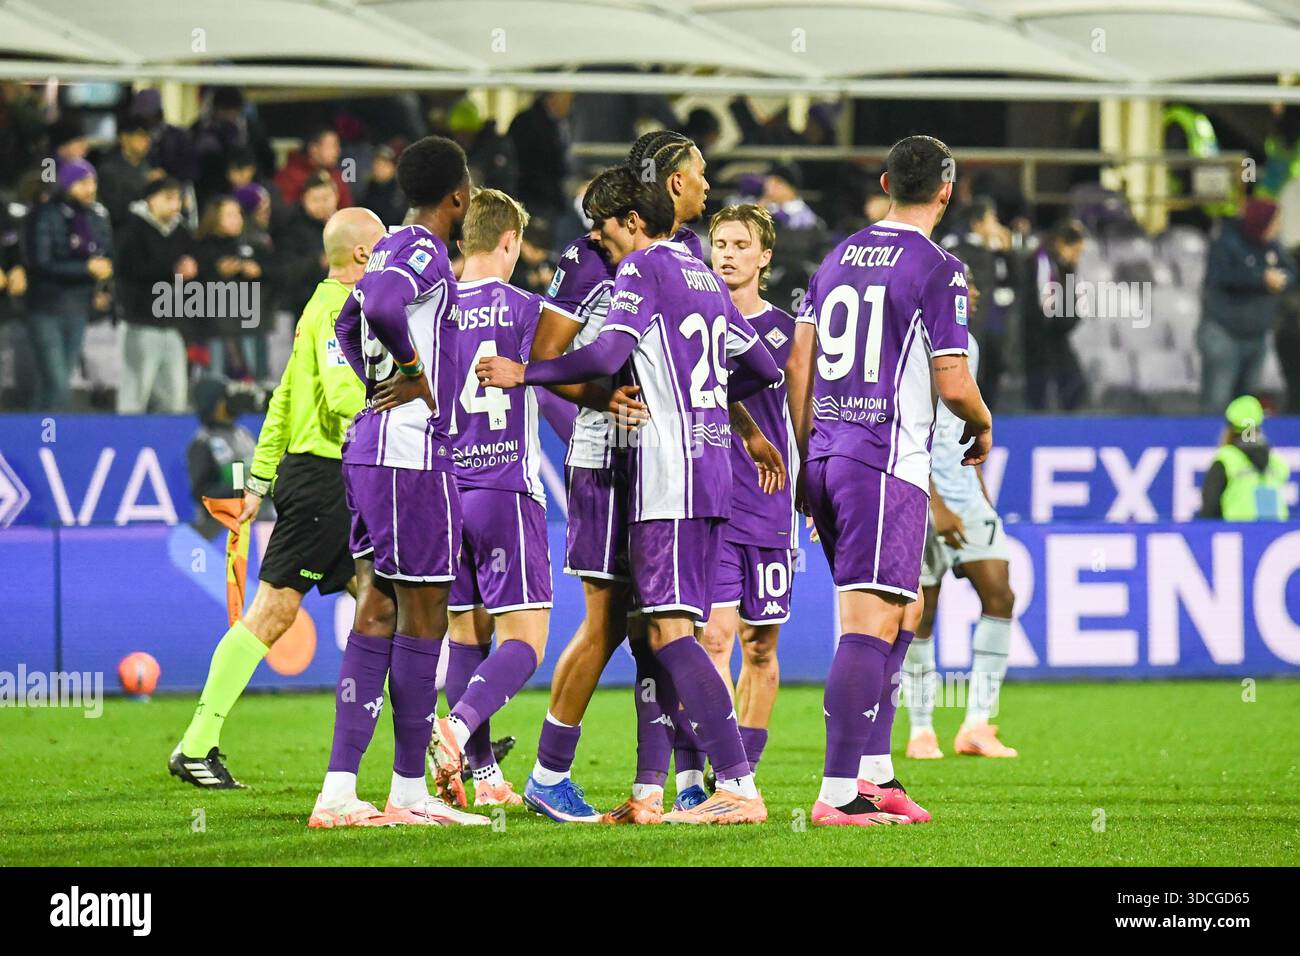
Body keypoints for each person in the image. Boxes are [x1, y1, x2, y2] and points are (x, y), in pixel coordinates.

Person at [476, 173, 784, 826]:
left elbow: (610, 349)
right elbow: (761, 368)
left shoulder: (642, 268)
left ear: (633, 221)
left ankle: (738, 786)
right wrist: (709, 401)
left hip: (665, 472)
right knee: (663, 628)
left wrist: (525, 373)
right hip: (711, 475)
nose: (597, 236)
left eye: (603, 224)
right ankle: (663, 788)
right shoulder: (703, 276)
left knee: (670, 631)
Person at [786, 134, 993, 827]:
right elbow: (954, 381)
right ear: (946, 190)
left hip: (833, 453)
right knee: (872, 620)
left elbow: (799, 364)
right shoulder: (939, 267)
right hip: (882, 462)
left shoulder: (837, 256)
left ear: (883, 182)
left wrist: (805, 455)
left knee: (902, 613)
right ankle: (837, 791)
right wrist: (984, 422)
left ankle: (876, 774)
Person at [168, 208, 384, 789]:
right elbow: (342, 396)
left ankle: (446, 740)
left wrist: (259, 479)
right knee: (273, 612)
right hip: (325, 480)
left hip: (320, 476)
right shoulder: (344, 308)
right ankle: (195, 745)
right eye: (384, 245)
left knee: (382, 600)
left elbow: (283, 399)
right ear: (364, 255)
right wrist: (405, 413)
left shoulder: (316, 308)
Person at [419, 188, 618, 810]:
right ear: (509, 242)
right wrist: (605, 411)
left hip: (444, 491)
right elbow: (561, 380)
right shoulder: (527, 309)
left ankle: (482, 780)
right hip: (506, 490)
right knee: (525, 641)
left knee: (464, 633)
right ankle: (455, 728)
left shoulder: (432, 311)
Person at [309, 135, 486, 829]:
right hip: (411, 454)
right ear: (459, 197)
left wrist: (374, 378)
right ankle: (409, 791)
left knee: (377, 607)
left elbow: (351, 317)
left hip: (371, 449)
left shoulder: (386, 245)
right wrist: (410, 374)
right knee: (425, 615)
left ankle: (339, 792)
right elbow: (378, 303)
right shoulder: (420, 249)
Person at [697, 203, 797, 807]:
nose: (727, 254)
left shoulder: (790, 331)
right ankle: (722, 766)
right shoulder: (695, 320)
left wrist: (812, 487)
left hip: (770, 508)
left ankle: (742, 775)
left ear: (765, 257)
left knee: (760, 645)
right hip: (710, 501)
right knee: (713, 638)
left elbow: (807, 416)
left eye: (740, 244)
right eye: (719, 243)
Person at [905, 266, 1019, 761]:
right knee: (922, 613)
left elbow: (961, 430)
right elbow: (913, 431)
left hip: (967, 496)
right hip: (923, 495)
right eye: (964, 285)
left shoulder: (968, 343)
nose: (970, 293)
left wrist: (979, 492)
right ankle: (922, 728)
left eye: (973, 286)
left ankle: (976, 724)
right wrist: (936, 504)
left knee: (1000, 593)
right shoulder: (918, 345)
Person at [26, 158, 113, 410]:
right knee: (58, 382)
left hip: (77, 307)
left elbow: (105, 257)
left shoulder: (96, 215)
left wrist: (103, 288)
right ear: (67, 184)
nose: (90, 188)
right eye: (83, 182)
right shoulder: (45, 214)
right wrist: (85, 269)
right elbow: (40, 262)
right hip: (46, 308)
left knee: (50, 383)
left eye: (93, 182)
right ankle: (51, 438)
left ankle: (36, 437)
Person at [1198, 198, 1296, 414]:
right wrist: (1262, 279)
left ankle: (1245, 445)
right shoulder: (1226, 242)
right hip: (1223, 333)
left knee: (1248, 402)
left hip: (1256, 336)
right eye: (1274, 222)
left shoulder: (1272, 245)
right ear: (1260, 222)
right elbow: (1222, 276)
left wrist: (1282, 279)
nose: (1277, 227)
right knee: (1217, 398)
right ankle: (1211, 445)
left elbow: (1291, 272)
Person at [114, 177, 195, 414]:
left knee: (175, 398)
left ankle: (168, 447)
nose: (175, 205)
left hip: (172, 325)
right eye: (168, 198)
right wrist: (172, 269)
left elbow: (192, 265)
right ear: (151, 200)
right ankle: (126, 444)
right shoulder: (132, 228)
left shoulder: (181, 231)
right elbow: (130, 268)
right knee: (135, 395)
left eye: (178, 199)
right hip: (140, 322)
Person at [194, 196, 265, 379]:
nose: (237, 220)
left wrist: (257, 270)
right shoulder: (201, 247)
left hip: (247, 323)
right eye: (230, 215)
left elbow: (274, 270)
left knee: (250, 376)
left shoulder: (249, 243)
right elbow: (191, 283)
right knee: (215, 377)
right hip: (213, 326)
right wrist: (216, 271)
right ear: (214, 218)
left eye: (238, 215)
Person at [1022, 219, 1088, 411]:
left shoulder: (1065, 267)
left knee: (1074, 383)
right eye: (1075, 251)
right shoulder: (1038, 263)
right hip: (1037, 336)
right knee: (1039, 387)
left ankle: (1067, 427)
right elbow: (1044, 305)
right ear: (1060, 243)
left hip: (1056, 335)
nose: (1077, 258)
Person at [184, 376, 260, 538]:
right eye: (226, 398)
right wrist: (246, 487)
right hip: (224, 531)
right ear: (213, 404)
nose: (232, 402)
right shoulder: (203, 443)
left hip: (262, 526)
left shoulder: (245, 435)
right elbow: (202, 494)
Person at [1199, 395, 1291, 521]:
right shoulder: (1276, 461)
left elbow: (1210, 507)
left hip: (1237, 534)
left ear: (1230, 428)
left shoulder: (1226, 460)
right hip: (1276, 532)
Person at [274, 171, 338, 315]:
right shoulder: (290, 227)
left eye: (326, 198)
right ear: (304, 199)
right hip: (300, 307)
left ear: (336, 196)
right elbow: (284, 270)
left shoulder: (346, 225)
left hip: (337, 305)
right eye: (315, 199)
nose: (322, 204)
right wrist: (318, 262)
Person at [508, 92, 573, 223]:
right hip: (535, 197)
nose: (570, 105)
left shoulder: (559, 123)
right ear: (554, 99)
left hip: (545, 195)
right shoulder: (529, 123)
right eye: (568, 100)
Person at [96, 115, 160, 229]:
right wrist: (148, 186)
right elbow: (116, 213)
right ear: (124, 138)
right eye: (141, 135)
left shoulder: (147, 165)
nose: (147, 141)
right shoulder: (109, 170)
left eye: (148, 136)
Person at [274, 126, 354, 208]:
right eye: (332, 146)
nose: (338, 151)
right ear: (314, 149)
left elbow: (347, 210)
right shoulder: (289, 176)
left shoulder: (336, 177)